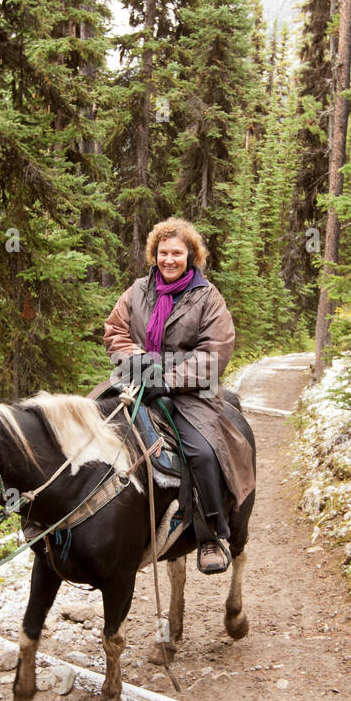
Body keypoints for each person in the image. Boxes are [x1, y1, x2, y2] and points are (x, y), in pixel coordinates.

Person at [100, 217, 254, 574]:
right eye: (163, 252)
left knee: (201, 452)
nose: (169, 259)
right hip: (136, 379)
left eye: (177, 253)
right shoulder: (138, 290)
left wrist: (168, 380)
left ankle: (211, 534)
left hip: (190, 393)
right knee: (90, 422)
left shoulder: (207, 297)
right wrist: (140, 363)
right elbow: (114, 331)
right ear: (154, 253)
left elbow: (215, 352)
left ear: (191, 255)